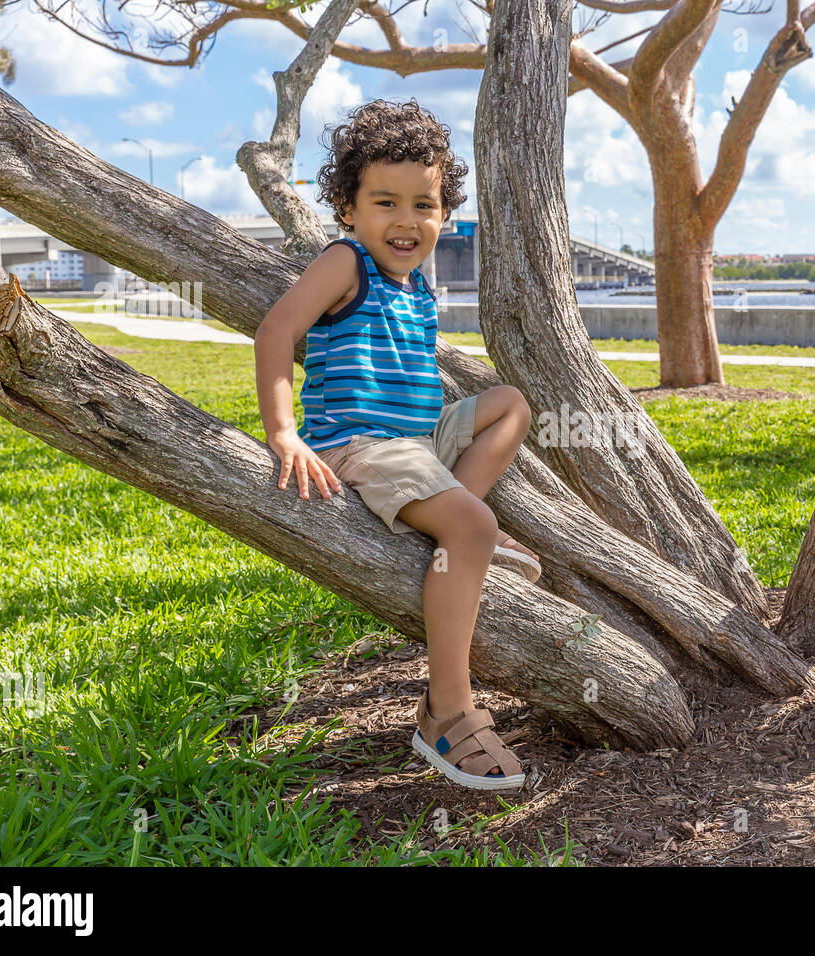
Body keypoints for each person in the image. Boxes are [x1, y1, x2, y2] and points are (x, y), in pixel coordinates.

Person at [254, 98, 540, 790]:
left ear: (445, 213)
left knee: (509, 406)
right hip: (362, 445)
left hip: (418, 443)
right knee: (474, 526)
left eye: (425, 205)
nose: (407, 221)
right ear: (348, 209)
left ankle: (458, 528)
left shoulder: (417, 287)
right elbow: (275, 334)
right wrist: (284, 433)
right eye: (385, 202)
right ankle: (446, 710)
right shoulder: (344, 262)